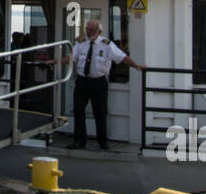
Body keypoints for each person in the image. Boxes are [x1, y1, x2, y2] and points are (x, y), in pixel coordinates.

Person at [60, 19, 144, 150]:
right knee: (78, 110)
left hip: (98, 82)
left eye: (91, 30)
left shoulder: (107, 45)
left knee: (100, 113)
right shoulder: (81, 43)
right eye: (87, 29)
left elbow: (122, 57)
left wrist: (137, 66)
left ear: (99, 32)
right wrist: (55, 61)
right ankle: (79, 141)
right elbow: (71, 58)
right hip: (82, 82)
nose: (88, 32)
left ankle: (102, 142)